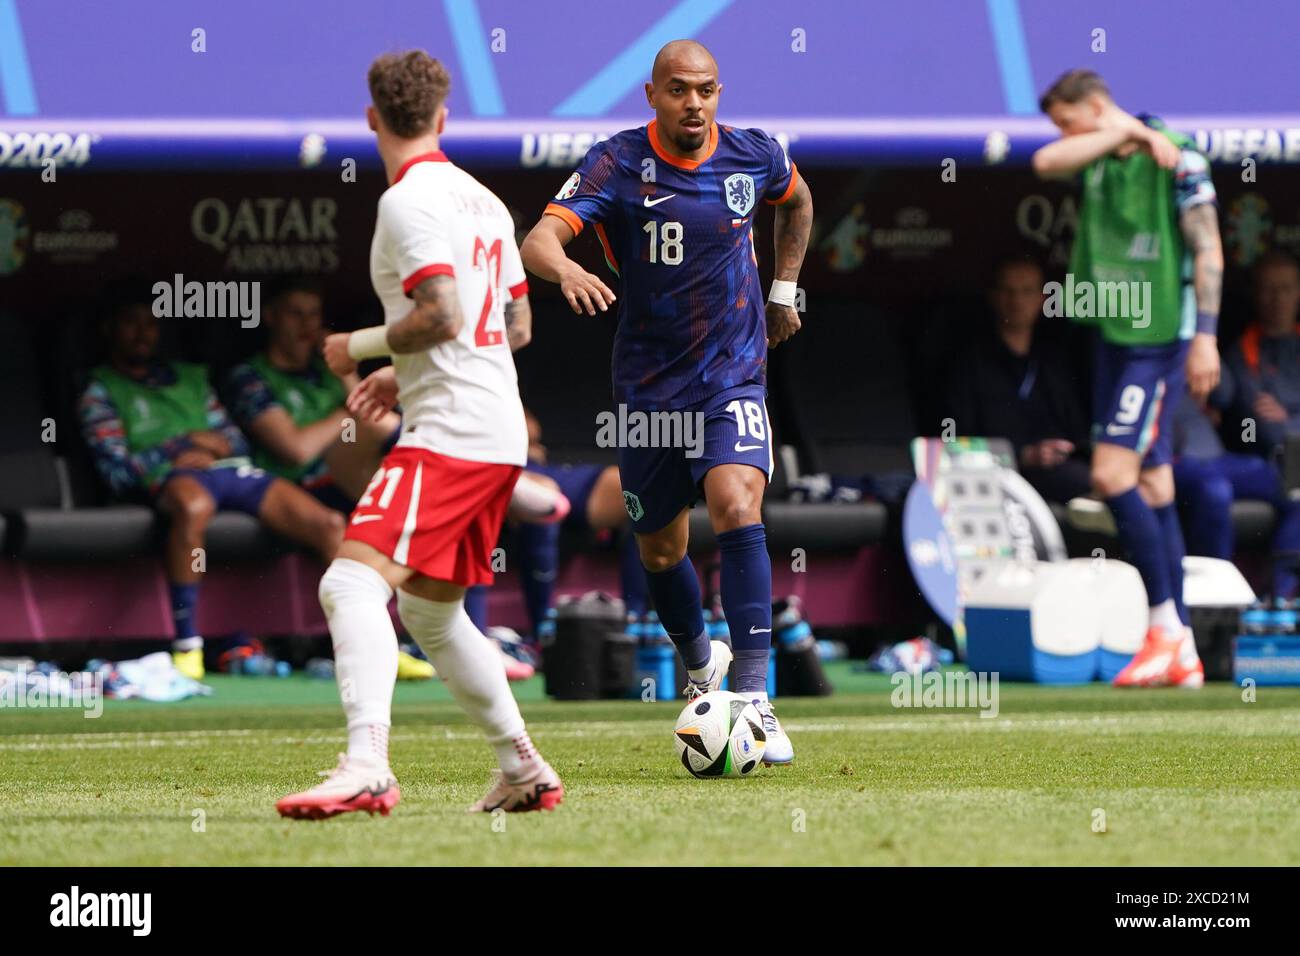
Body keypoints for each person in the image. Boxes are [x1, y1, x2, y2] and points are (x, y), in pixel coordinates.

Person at [276, 51, 561, 819]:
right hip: (494, 429)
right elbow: (513, 326)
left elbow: (438, 313)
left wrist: (358, 348)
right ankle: (523, 768)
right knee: (434, 614)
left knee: (349, 582)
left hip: (454, 433)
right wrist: (404, 377)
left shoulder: (406, 203)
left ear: (371, 118)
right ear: (442, 117)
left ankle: (367, 765)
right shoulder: (487, 201)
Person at [520, 39, 813, 760]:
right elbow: (538, 240)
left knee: (738, 504)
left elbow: (798, 200)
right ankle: (700, 670)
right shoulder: (618, 163)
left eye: (707, 90)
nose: (694, 104)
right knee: (659, 547)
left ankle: (751, 695)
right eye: (679, 90)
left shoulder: (755, 155)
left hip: (734, 373)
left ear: (720, 93)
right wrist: (565, 270)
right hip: (651, 385)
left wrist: (783, 289)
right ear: (651, 94)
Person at [1033, 69, 1222, 688]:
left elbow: (1208, 250)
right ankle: (1181, 647)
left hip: (1158, 340)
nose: (1063, 134)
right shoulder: (1113, 147)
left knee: (1110, 475)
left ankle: (1165, 626)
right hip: (1114, 337)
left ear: (1094, 105)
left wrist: (1206, 337)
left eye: (1068, 118)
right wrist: (1128, 133)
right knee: (1155, 483)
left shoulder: (1180, 157)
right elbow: (1046, 162)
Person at [78, 297, 345, 680]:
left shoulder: (191, 378)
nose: (142, 334)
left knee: (330, 524)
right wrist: (181, 444)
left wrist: (211, 446)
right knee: (194, 507)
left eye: (151, 325)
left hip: (230, 471)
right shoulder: (99, 390)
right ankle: (188, 645)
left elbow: (234, 442)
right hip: (172, 478)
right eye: (131, 323)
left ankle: (357, 645)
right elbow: (118, 472)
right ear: (109, 330)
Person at [224, 278, 435, 681]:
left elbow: (370, 412)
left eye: (313, 315)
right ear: (270, 317)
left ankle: (442, 633)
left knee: (420, 508)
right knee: (379, 496)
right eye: (295, 314)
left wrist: (344, 369)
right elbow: (297, 450)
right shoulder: (249, 377)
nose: (306, 325)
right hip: (293, 487)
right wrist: (346, 417)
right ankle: (385, 643)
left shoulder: (323, 374)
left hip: (349, 482)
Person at [947, 256, 1091, 503]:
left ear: (1042, 298)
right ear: (993, 296)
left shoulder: (1054, 359)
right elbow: (958, 439)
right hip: (998, 474)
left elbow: (1077, 428)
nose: (1017, 301)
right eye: (1008, 291)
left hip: (1063, 467)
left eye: (1027, 291)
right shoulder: (969, 362)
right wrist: (1023, 454)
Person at [1217, 251, 1300, 459]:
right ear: (1254, 294)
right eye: (1268, 289)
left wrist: (1288, 419)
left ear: (1298, 292)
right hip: (1264, 455)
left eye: (1286, 289)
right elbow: (1257, 425)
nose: (1278, 298)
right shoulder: (1240, 352)